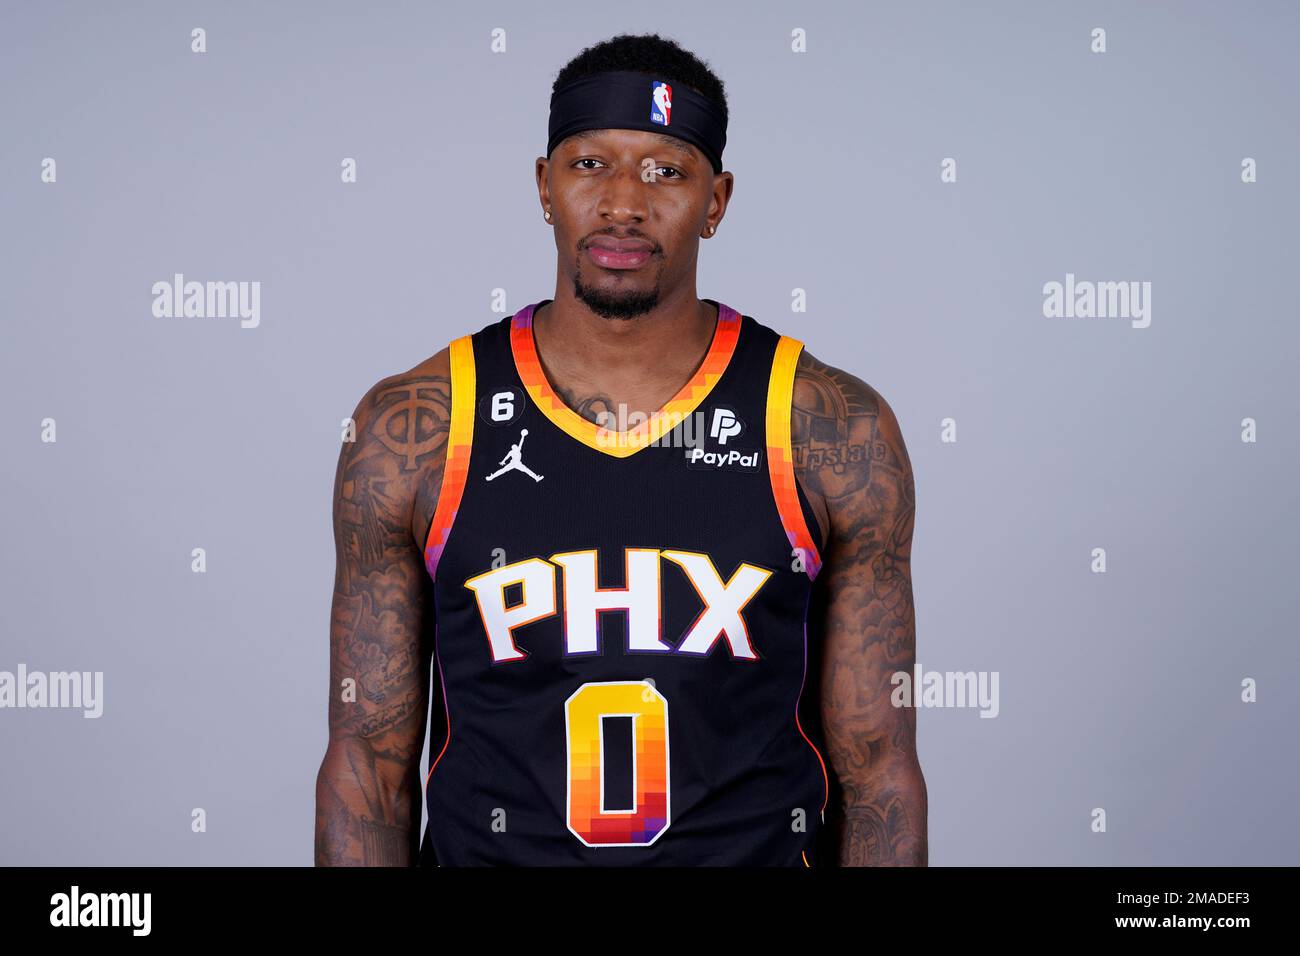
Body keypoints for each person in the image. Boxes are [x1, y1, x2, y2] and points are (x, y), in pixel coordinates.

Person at [315, 32, 926, 866]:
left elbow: (879, 773)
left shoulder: (829, 428)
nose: (624, 204)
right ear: (543, 185)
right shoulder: (415, 428)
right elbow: (369, 768)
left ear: (718, 201)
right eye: (590, 164)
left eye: (667, 171)